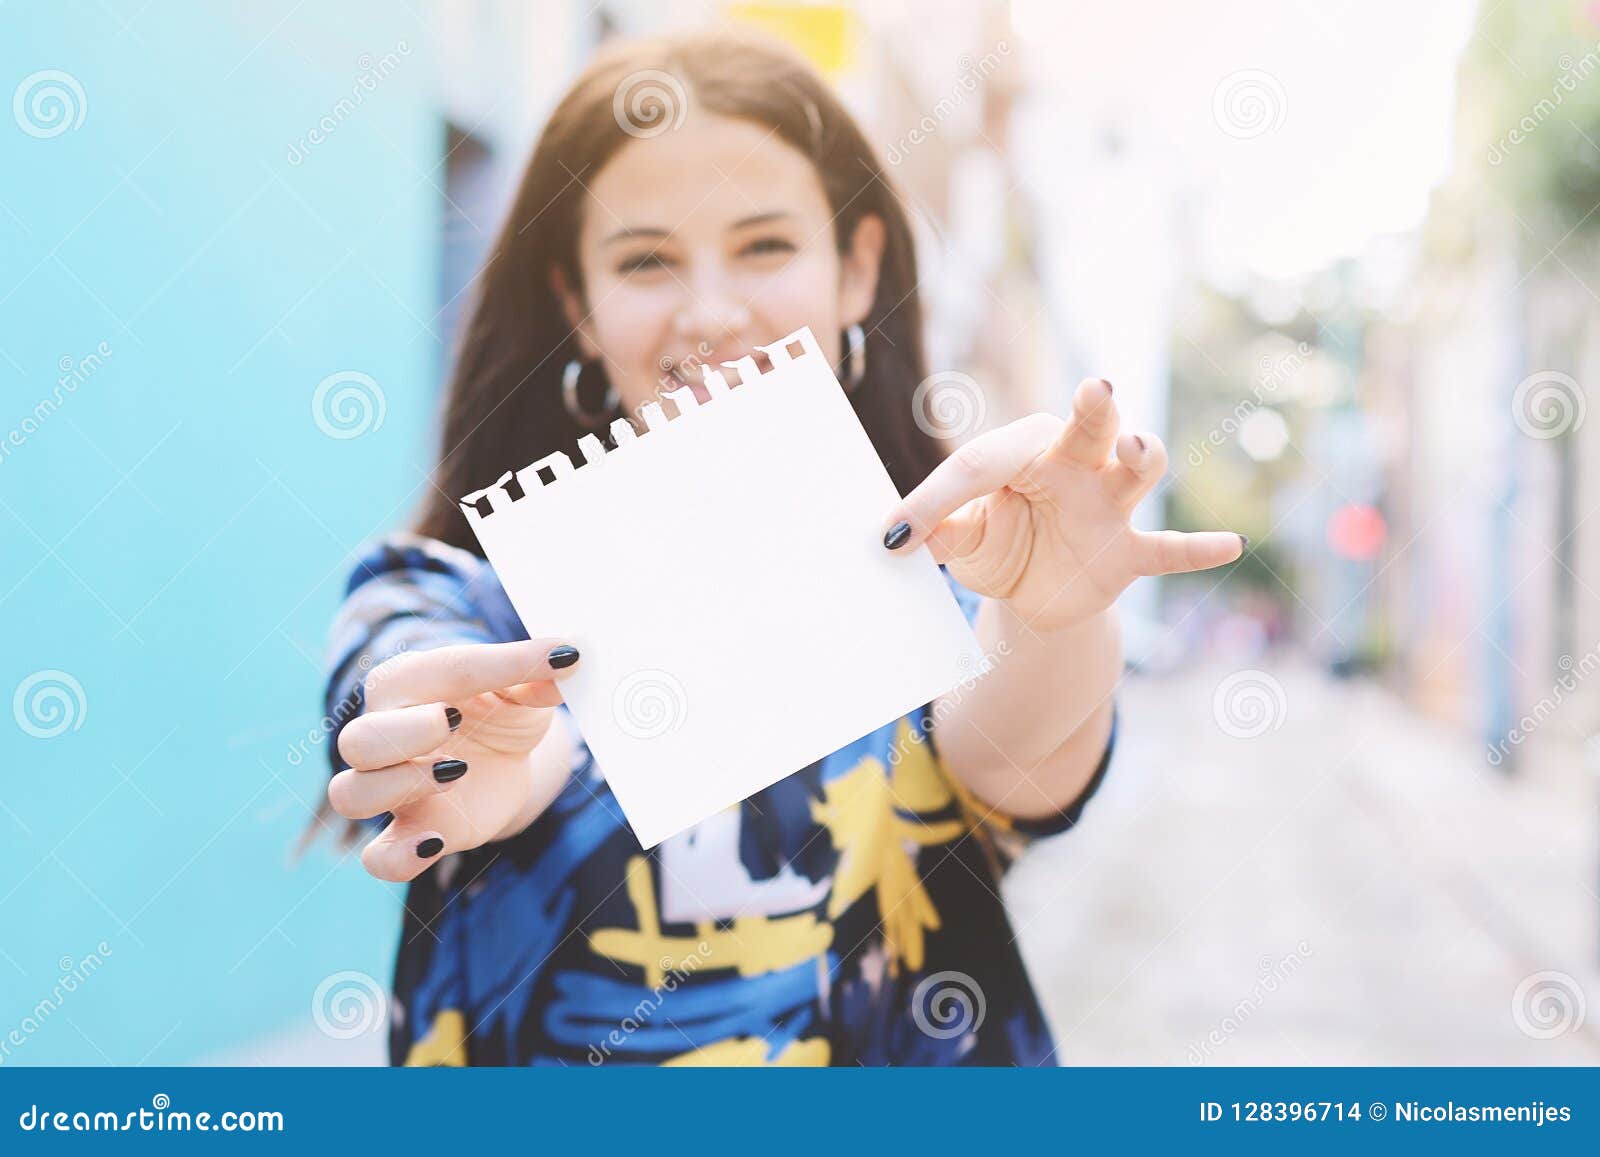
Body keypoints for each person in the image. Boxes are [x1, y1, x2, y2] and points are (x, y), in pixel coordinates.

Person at [316, 29, 1244, 1066]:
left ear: (857, 271)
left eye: (765, 246)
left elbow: (1016, 759)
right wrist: (464, 754)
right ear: (577, 303)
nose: (709, 312)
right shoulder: (453, 596)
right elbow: (391, 677)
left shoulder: (952, 582)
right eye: (644, 260)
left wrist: (1050, 609)